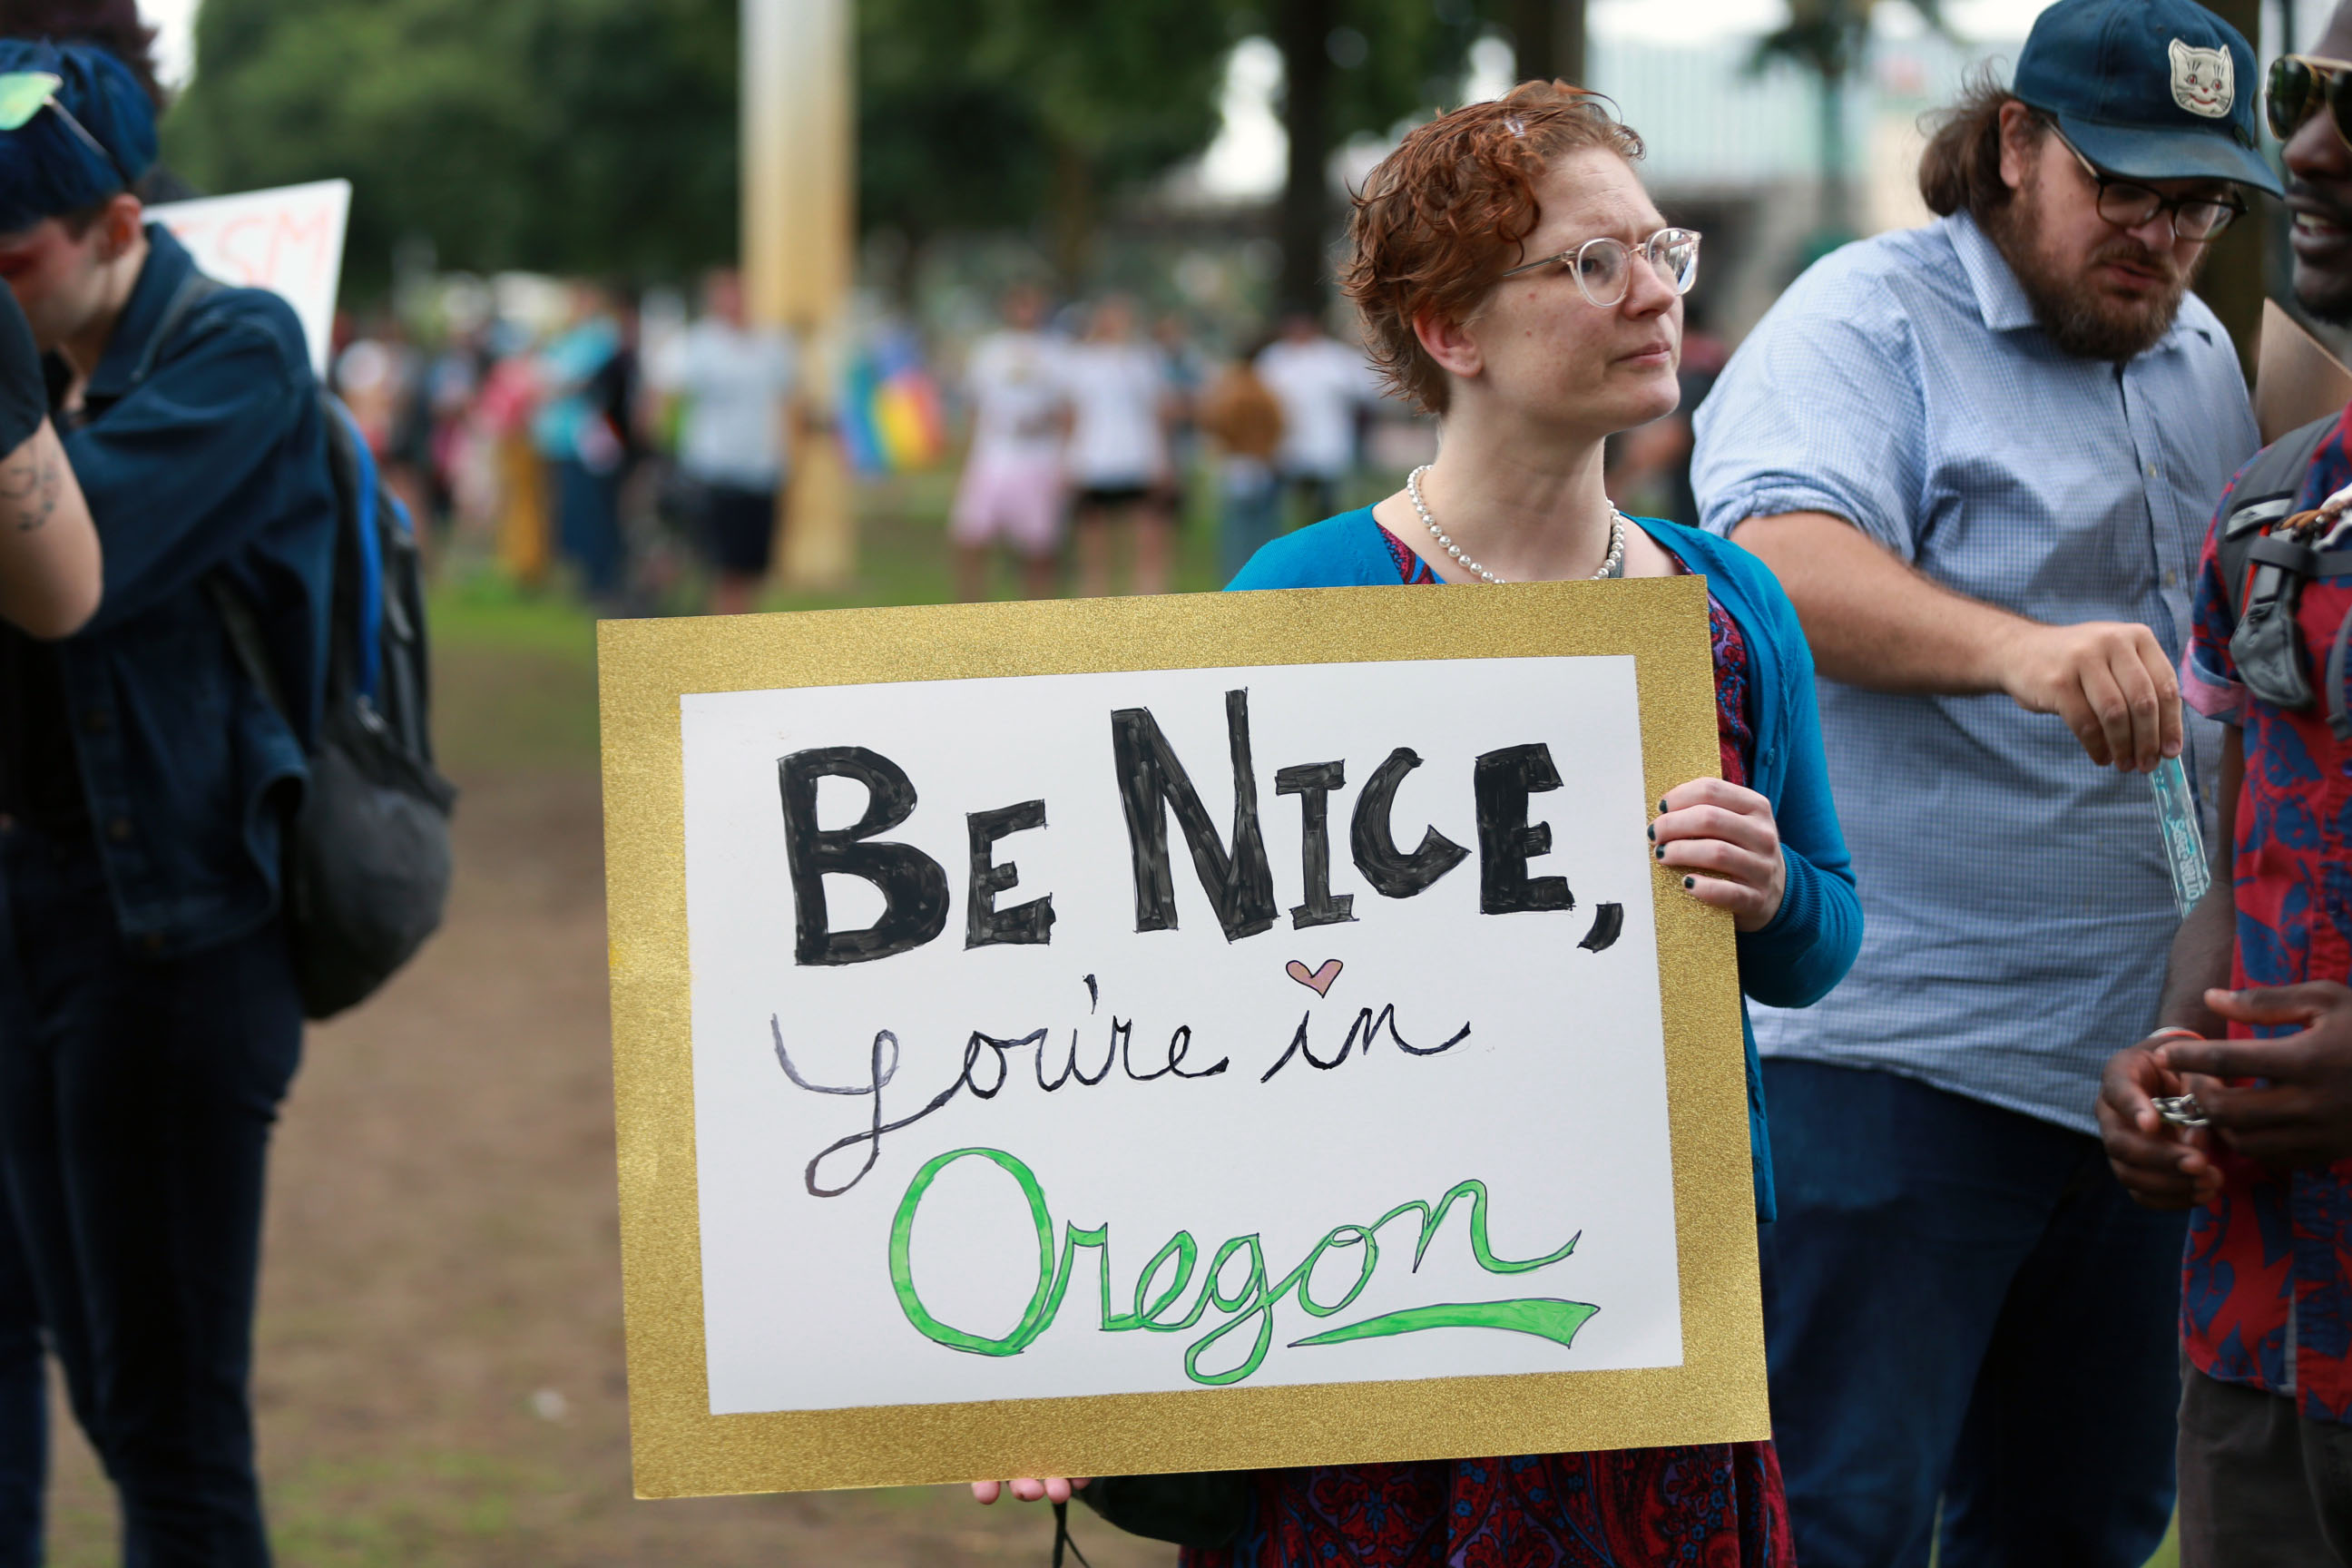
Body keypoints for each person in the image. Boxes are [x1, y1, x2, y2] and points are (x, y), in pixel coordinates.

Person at [971, 81, 1862, 1565]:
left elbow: (1819, 946)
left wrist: (1772, 891)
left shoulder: (1729, 605)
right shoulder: (1300, 596)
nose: (1656, 294)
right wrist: (1078, 1339)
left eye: (1662, 250)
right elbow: (1151, 1000)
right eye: (1595, 263)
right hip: (1349, 1320)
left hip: (1645, 1318)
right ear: (1451, 330)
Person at [1687, 2, 2280, 1563]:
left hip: (2133, 1077)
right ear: (2015, 143)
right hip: (1895, 1063)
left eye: (2200, 203)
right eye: (2124, 186)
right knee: (1835, 1528)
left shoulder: (2195, 349)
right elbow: (1773, 565)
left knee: (2083, 1526)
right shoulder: (1861, 319)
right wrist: (2018, 651)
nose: (2162, 234)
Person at [0, 39, 338, 1567]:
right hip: (35, 922)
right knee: (114, 1409)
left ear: (120, 225)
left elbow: (63, 577)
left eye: (12, 258)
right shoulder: (56, 359)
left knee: (174, 1437)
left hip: (178, 935)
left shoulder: (241, 351)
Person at [2097, 7, 2352, 1560]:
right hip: (2263, 1335)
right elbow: (2223, 826)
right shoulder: (2275, 505)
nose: (2305, 151)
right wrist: (2170, 1050)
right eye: (2307, 94)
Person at [664, 267, 796, 615]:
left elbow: (788, 402)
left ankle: (743, 632)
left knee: (753, 568)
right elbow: (668, 398)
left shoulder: (773, 344)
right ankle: (725, 635)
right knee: (723, 568)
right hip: (716, 468)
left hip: (761, 468)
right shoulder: (699, 344)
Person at [949, 283, 1066, 603]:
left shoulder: (1056, 351)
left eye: (1032, 304)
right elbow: (973, 406)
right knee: (972, 535)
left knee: (1039, 544)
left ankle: (1037, 610)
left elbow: (1067, 409)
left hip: (1038, 454)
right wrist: (966, 455)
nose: (1026, 311)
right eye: (1020, 304)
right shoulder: (989, 351)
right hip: (994, 452)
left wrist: (1065, 458)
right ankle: (971, 608)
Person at [1058, 295, 1172, 598]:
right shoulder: (1081, 362)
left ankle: (1147, 598)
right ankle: (1095, 598)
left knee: (1149, 534)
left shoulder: (1143, 360)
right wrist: (1067, 460)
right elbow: (1071, 415)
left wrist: (1162, 460)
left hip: (1137, 457)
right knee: (1093, 539)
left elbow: (1157, 412)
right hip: (1093, 458)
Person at [534, 282, 634, 608]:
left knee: (596, 513)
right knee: (575, 514)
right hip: (564, 442)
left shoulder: (602, 338)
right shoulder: (568, 339)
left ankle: (602, 579)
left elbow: (576, 382)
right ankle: (587, 577)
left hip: (593, 442)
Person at [1253, 309, 1378, 527]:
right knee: (1286, 507)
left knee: (1325, 508)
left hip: (1327, 448)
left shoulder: (1336, 358)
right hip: (1286, 449)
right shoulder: (1274, 358)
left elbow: (1368, 389)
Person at [1196, 342, 1284, 586]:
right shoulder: (1267, 394)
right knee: (1263, 530)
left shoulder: (1228, 395)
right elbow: (1279, 425)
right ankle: (1265, 577)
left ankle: (1235, 578)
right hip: (1262, 463)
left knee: (1235, 531)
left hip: (1236, 463)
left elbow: (1214, 424)